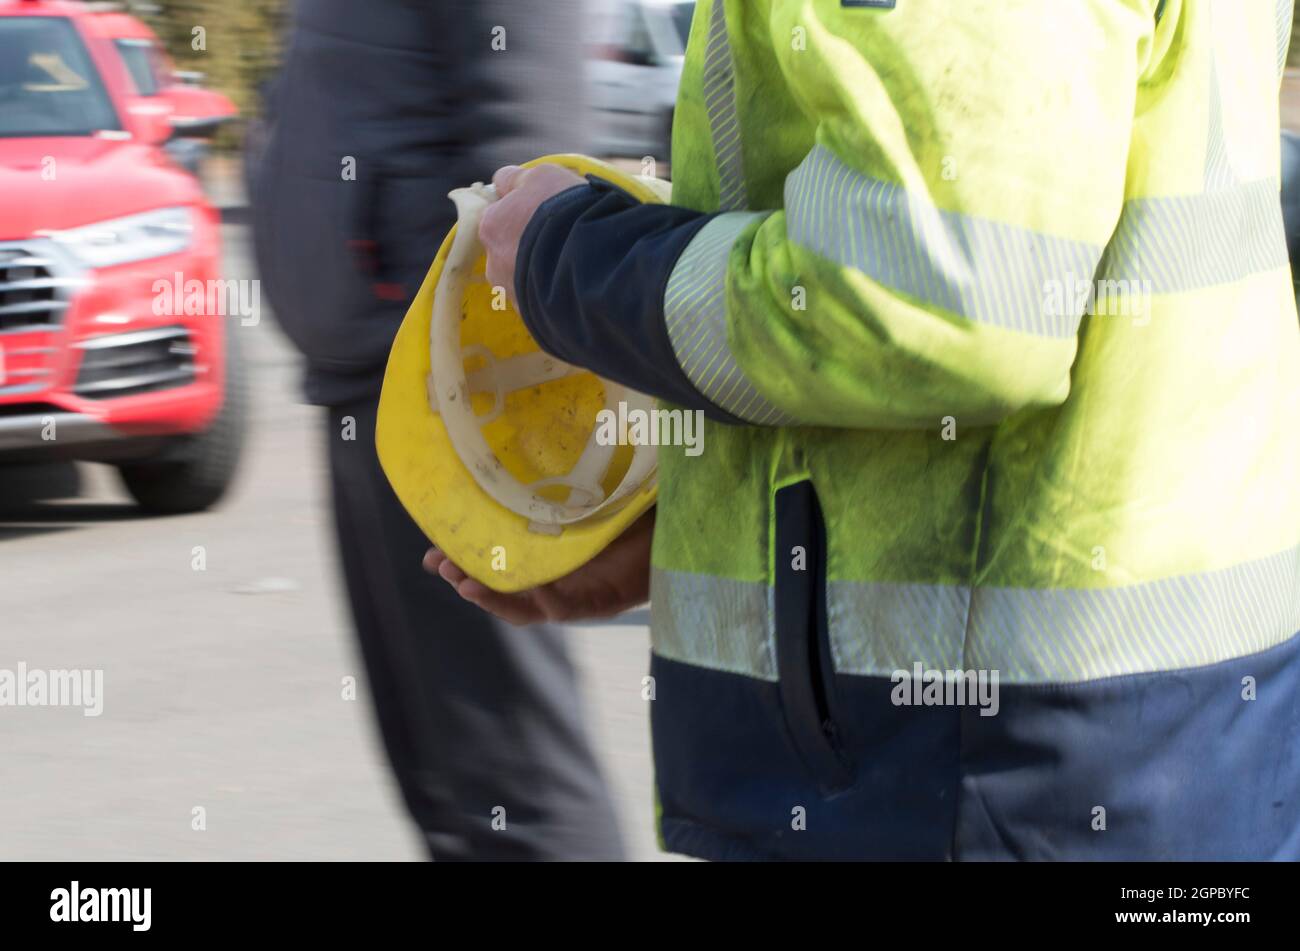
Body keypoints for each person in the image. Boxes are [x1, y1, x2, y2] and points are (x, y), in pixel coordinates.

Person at [427, 0, 1300, 859]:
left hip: (970, 767)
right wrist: (696, 533)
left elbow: (944, 293)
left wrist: (568, 263)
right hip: (1138, 739)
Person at [249, 0, 625, 860]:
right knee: (445, 776)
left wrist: (486, 373)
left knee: (511, 779)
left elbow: (530, 135)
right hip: (363, 379)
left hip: (442, 394)